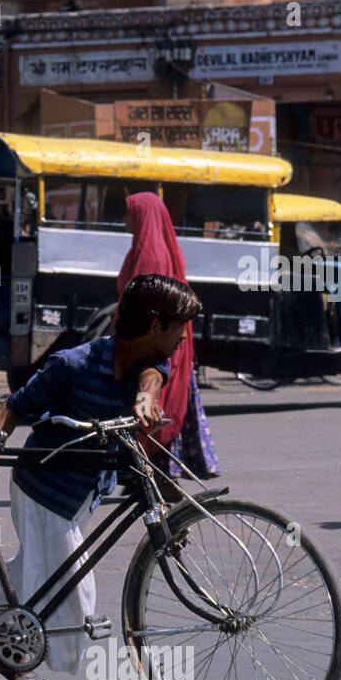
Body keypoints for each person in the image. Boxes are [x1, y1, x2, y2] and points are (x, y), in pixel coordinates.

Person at [0, 273, 198, 680]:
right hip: (43, 487)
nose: (184, 337)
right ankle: (14, 660)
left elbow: (152, 378)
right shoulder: (74, 364)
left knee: (29, 575)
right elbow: (14, 406)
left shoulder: (150, 361)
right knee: (72, 586)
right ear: (156, 326)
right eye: (180, 327)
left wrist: (146, 398)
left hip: (81, 494)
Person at [113, 191, 219, 483]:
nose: (124, 221)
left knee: (156, 404)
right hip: (157, 344)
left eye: (128, 214)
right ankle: (157, 478)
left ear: (142, 217)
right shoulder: (143, 248)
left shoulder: (151, 255)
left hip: (155, 346)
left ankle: (156, 478)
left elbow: (145, 312)